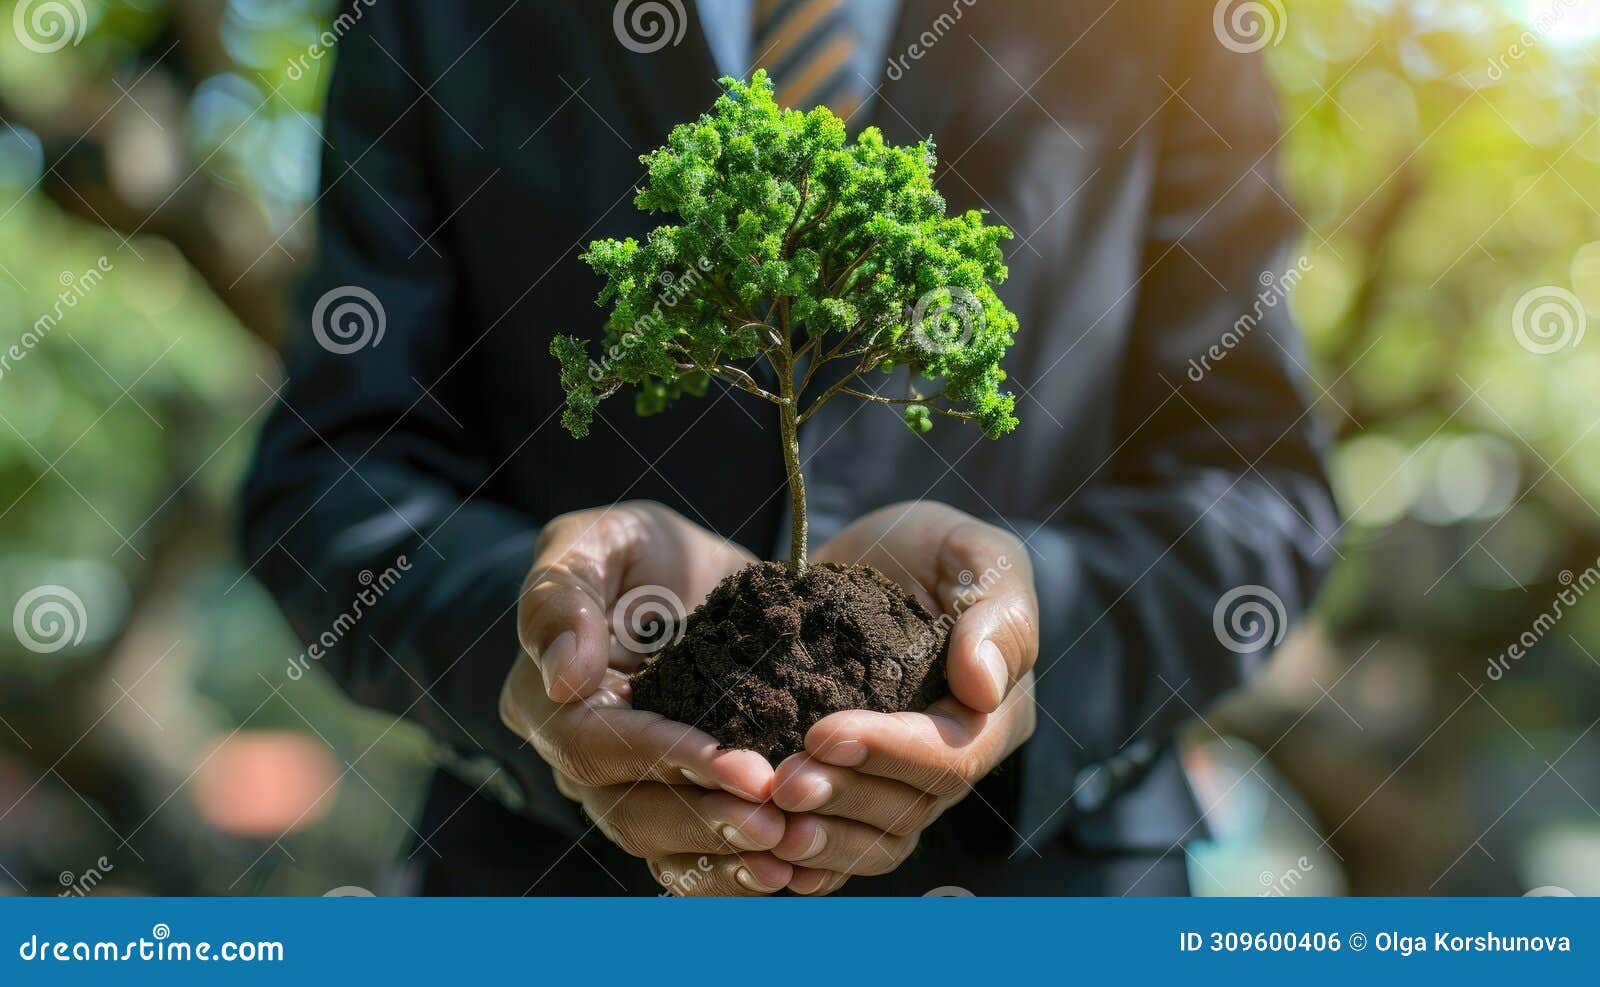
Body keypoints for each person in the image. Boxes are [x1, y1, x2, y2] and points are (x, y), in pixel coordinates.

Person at [241, 0, 1338, 896]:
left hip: (1039, 889)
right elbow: (335, 470)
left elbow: (1257, 481)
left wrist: (1030, 633)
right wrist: (531, 649)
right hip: (558, 887)